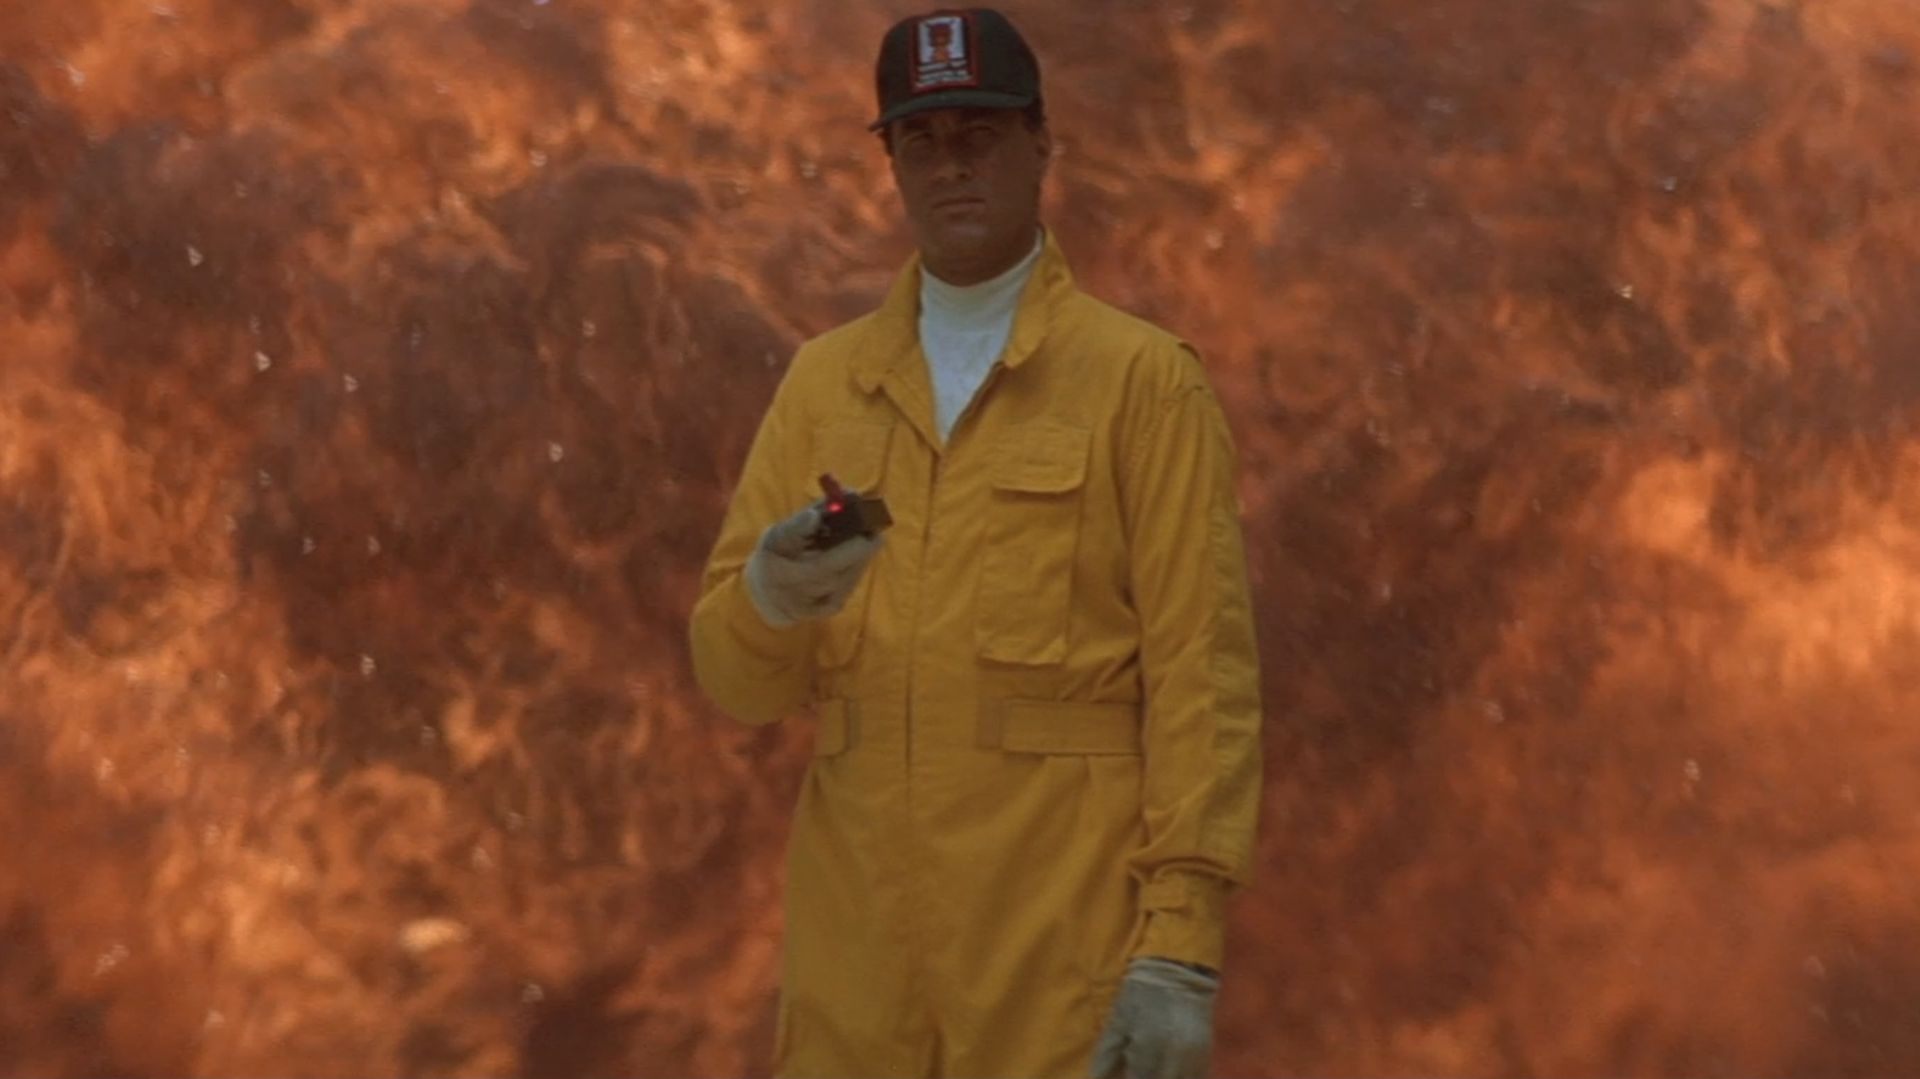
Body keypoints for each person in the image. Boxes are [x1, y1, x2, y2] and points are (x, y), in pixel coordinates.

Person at [687, 8, 1263, 1077]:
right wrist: (768, 596)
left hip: (1056, 958)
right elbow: (738, 683)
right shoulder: (826, 385)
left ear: (1041, 144)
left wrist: (1178, 950)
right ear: (892, 164)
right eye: (922, 140)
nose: (951, 165)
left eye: (980, 134)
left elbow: (1203, 677)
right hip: (857, 969)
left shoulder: (1140, 382)